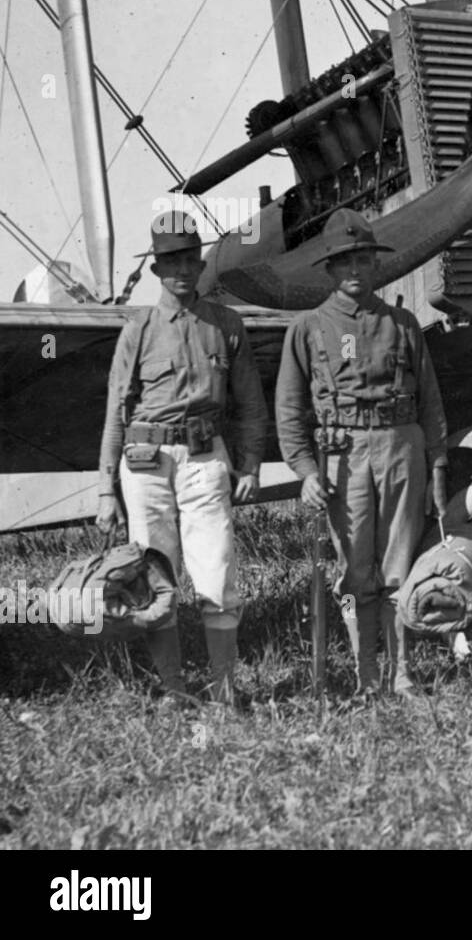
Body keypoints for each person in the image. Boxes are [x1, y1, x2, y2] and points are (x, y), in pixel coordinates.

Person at [276, 208, 448, 696]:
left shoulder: (402, 323)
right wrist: (306, 470)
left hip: (400, 445)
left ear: (377, 264)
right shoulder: (307, 328)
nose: (355, 269)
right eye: (345, 261)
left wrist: (436, 464)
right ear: (330, 269)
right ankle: (364, 673)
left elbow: (431, 400)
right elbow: (289, 411)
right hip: (342, 453)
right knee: (356, 568)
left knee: (399, 565)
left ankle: (400, 672)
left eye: (364, 259)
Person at [96, 211, 267, 705]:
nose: (182, 269)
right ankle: (174, 690)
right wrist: (106, 488)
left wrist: (251, 464)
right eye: (171, 259)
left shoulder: (226, 324)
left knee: (216, 573)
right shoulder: (138, 328)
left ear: (201, 261)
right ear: (155, 268)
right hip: (145, 461)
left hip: (204, 456)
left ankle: (225, 691)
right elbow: (116, 410)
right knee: (154, 577)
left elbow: (251, 406)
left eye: (190, 257)